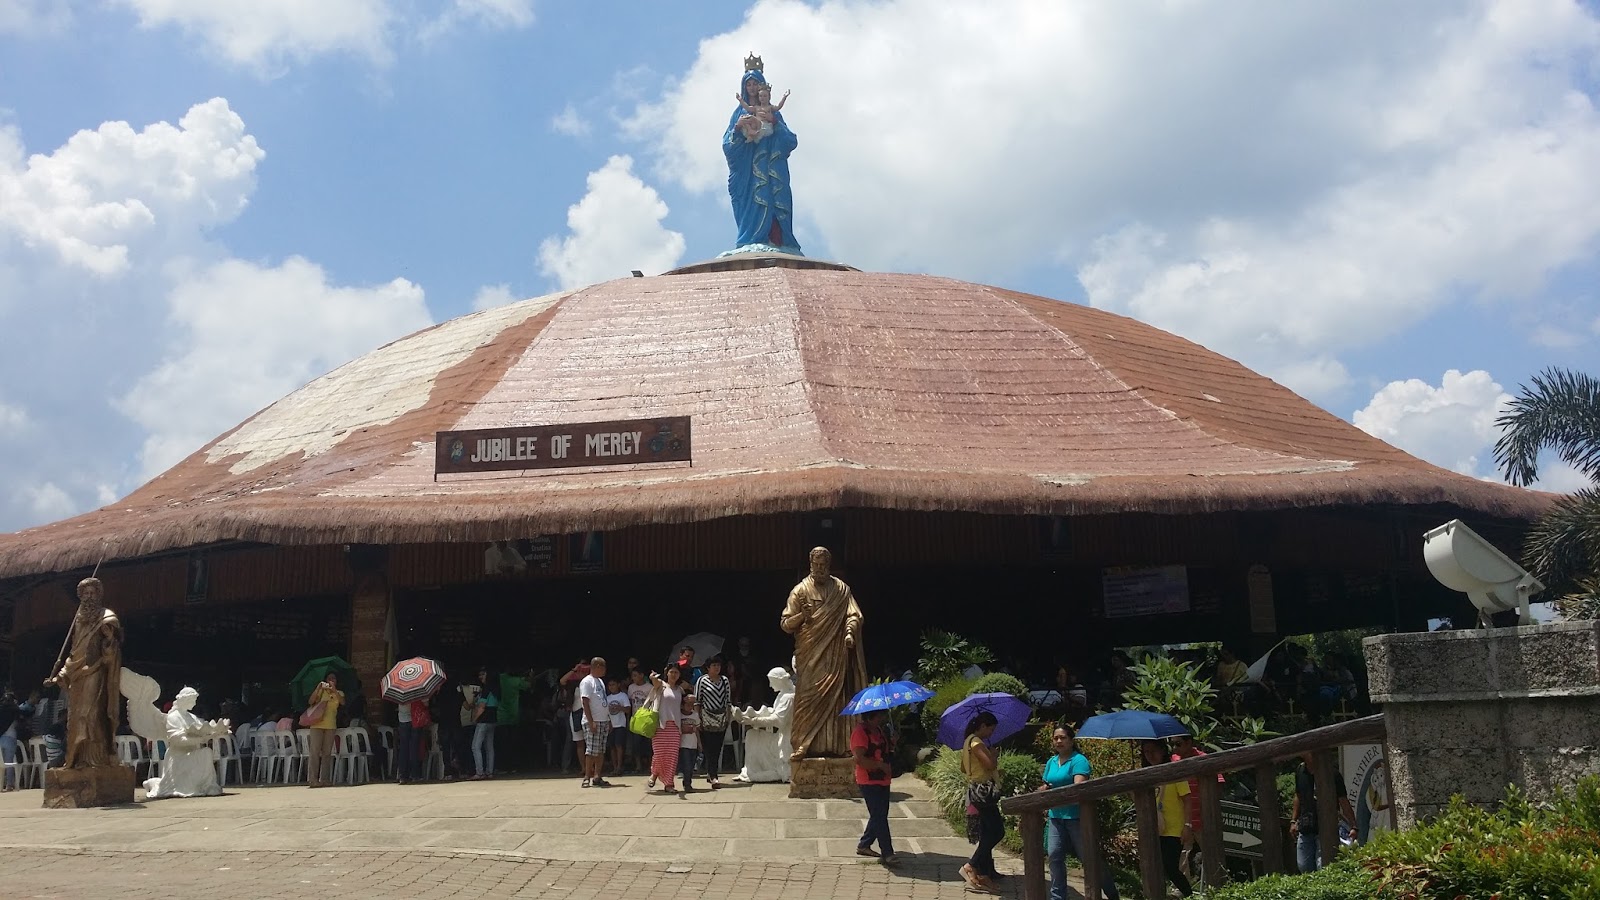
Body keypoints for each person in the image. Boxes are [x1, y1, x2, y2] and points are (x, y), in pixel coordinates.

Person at [780, 546, 868, 761]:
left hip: (836, 655)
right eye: (816, 565)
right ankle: (803, 744)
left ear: (829, 566)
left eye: (823, 565)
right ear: (810, 565)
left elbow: (854, 615)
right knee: (807, 699)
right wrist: (802, 615)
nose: (819, 568)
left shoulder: (841, 590)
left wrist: (850, 632)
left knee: (838, 699)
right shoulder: (800, 591)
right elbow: (785, 624)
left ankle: (838, 746)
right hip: (810, 656)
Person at [723, 57, 802, 253]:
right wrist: (738, 128)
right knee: (752, 200)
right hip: (748, 171)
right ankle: (751, 239)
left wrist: (773, 122)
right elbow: (728, 145)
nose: (751, 88)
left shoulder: (771, 112)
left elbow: (790, 140)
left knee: (772, 198)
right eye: (748, 84)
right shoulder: (739, 112)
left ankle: (775, 240)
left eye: (755, 84)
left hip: (770, 166)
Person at [1038, 725, 1120, 900]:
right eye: (1055, 738)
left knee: (1089, 858)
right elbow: (1047, 784)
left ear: (1071, 740)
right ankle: (1058, 897)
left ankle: (1111, 893)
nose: (1059, 741)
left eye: (1063, 737)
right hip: (1055, 816)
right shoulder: (1052, 762)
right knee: (1054, 856)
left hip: (1076, 817)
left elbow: (1079, 788)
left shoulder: (1078, 760)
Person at [51, 577, 122, 769]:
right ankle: (77, 758)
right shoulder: (79, 619)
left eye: (92, 593)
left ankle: (97, 758)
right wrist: (63, 673)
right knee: (75, 718)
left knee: (90, 713)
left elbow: (112, 651)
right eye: (85, 593)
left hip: (95, 670)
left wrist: (109, 640)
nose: (89, 597)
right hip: (77, 673)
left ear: (99, 595)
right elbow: (75, 650)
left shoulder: (107, 617)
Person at [1141, 739, 1193, 896]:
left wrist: (1187, 825)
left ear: (1163, 750)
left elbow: (1187, 799)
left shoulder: (1174, 771)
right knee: (1155, 866)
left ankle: (1189, 895)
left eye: (1154, 750)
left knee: (1170, 867)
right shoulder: (1145, 774)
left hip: (1174, 829)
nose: (1150, 755)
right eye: (1146, 752)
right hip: (1155, 827)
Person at [960, 710, 1004, 892]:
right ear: (983, 726)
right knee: (997, 831)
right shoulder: (977, 743)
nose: (991, 734)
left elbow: (963, 768)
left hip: (975, 790)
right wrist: (993, 754)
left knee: (987, 832)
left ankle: (984, 873)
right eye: (991, 730)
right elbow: (990, 765)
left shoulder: (967, 742)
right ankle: (971, 865)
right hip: (983, 792)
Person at [1291, 752, 1356, 872]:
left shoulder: (1332, 774)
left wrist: (1353, 826)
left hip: (1326, 829)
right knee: (1304, 866)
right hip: (1306, 827)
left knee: (1323, 866)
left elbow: (1343, 801)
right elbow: (1298, 796)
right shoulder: (1300, 771)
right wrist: (1293, 821)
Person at [1170, 734, 1224, 876]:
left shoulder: (1204, 759)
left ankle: (1216, 884)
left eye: (1178, 744)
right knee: (1181, 858)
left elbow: (1218, 785)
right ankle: (1181, 887)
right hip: (1184, 820)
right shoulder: (1173, 761)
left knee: (1212, 855)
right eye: (1172, 744)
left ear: (1189, 743)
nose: (1175, 748)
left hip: (1203, 818)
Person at [850, 708, 897, 865]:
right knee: (879, 816)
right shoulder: (860, 732)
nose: (881, 718)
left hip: (883, 779)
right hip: (868, 780)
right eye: (879, 715)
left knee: (879, 814)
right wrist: (879, 765)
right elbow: (859, 759)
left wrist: (892, 743)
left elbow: (886, 751)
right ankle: (887, 852)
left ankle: (864, 844)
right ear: (871, 716)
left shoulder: (879, 730)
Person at [694, 657, 731, 788]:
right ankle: (712, 774)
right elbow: (697, 701)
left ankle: (712, 773)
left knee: (718, 746)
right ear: (708, 667)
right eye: (714, 665)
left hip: (721, 716)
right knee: (709, 747)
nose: (717, 668)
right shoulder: (702, 680)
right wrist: (698, 719)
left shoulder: (724, 680)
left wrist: (728, 717)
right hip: (706, 716)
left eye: (718, 665)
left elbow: (728, 700)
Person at [647, 665, 685, 792]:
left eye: (676, 672)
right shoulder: (661, 685)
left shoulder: (680, 690)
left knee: (672, 757)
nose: (673, 675)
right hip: (660, 726)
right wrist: (653, 677)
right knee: (659, 754)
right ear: (666, 673)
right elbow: (655, 681)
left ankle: (669, 784)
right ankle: (654, 774)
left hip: (675, 727)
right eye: (671, 672)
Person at [306, 672, 343, 787]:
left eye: (334, 678)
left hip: (330, 725)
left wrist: (334, 690)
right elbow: (310, 702)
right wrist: (318, 688)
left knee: (327, 753)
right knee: (315, 752)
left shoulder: (339, 693)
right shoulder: (321, 692)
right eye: (329, 678)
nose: (331, 680)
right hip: (316, 725)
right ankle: (313, 779)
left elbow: (342, 702)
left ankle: (325, 779)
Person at [578, 657, 610, 788]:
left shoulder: (600, 681)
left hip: (603, 720)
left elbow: (603, 700)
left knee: (600, 750)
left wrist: (608, 719)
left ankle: (597, 776)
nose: (604, 670)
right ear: (597, 666)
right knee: (591, 750)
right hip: (593, 720)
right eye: (603, 667)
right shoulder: (587, 681)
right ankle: (587, 776)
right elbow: (585, 702)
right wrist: (591, 722)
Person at [470, 667, 500, 780]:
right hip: (493, 720)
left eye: (483, 674)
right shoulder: (496, 689)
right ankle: (489, 772)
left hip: (483, 721)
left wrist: (474, 719)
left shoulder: (486, 689)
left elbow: (481, 707)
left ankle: (479, 772)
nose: (480, 677)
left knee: (475, 746)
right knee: (489, 747)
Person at [625, 669, 653, 774]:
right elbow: (629, 702)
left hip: (646, 719)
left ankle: (650, 765)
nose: (634, 678)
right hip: (635, 719)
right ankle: (638, 766)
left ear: (642, 675)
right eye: (633, 676)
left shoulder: (649, 687)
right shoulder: (631, 687)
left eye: (636, 675)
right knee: (636, 744)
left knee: (648, 744)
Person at [604, 677, 630, 777]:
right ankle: (614, 767)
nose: (611, 687)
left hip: (620, 724)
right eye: (610, 685)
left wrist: (619, 708)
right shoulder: (607, 698)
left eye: (613, 685)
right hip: (611, 724)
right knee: (612, 747)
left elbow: (628, 709)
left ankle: (619, 766)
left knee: (619, 746)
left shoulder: (623, 696)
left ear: (618, 685)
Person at [678, 693, 701, 792]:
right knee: (686, 765)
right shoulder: (679, 715)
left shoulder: (695, 715)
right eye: (687, 704)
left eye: (691, 705)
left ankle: (688, 781)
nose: (690, 707)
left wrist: (699, 743)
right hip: (683, 745)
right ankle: (687, 784)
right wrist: (685, 730)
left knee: (691, 766)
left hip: (693, 744)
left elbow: (697, 731)